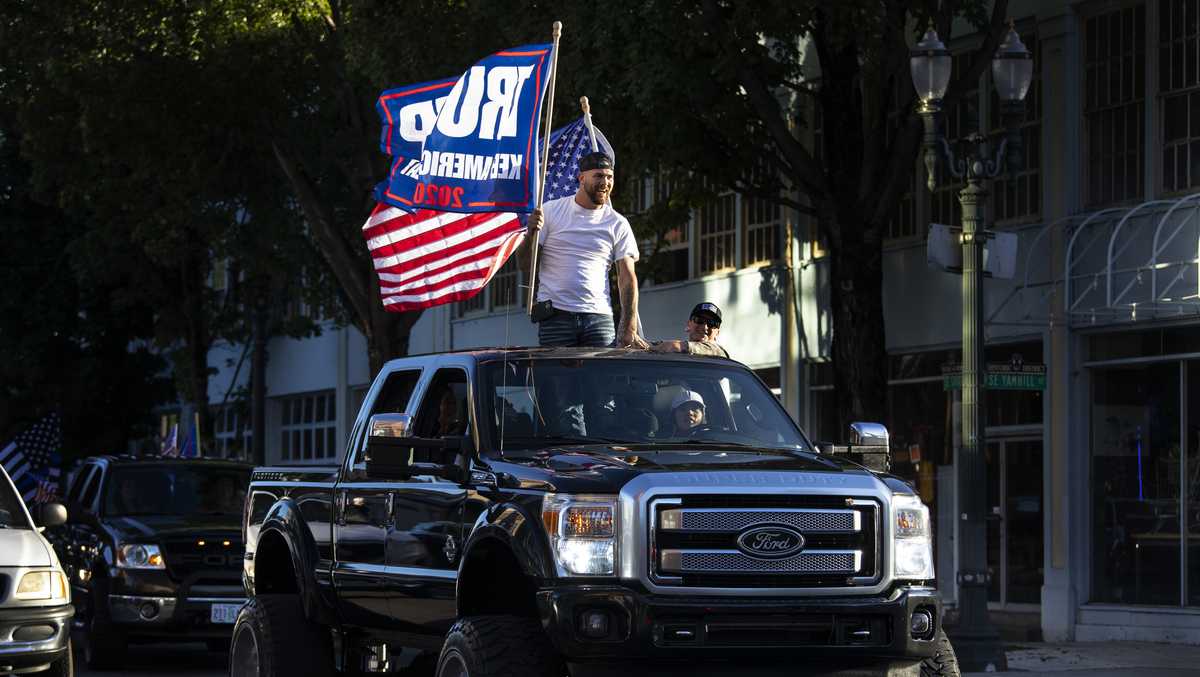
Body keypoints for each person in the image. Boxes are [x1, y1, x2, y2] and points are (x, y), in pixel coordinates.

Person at [517, 151, 649, 348]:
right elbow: (525, 265)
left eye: (609, 177)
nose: (605, 182)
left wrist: (629, 325)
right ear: (581, 178)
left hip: (599, 318)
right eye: (598, 176)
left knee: (601, 369)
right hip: (556, 317)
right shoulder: (550, 211)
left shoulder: (618, 223)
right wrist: (530, 234)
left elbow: (627, 277)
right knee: (557, 369)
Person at [650, 302, 730, 358]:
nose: (705, 327)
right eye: (699, 320)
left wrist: (650, 348)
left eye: (712, 323)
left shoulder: (719, 353)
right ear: (689, 324)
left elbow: (675, 347)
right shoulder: (677, 356)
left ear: (717, 333)